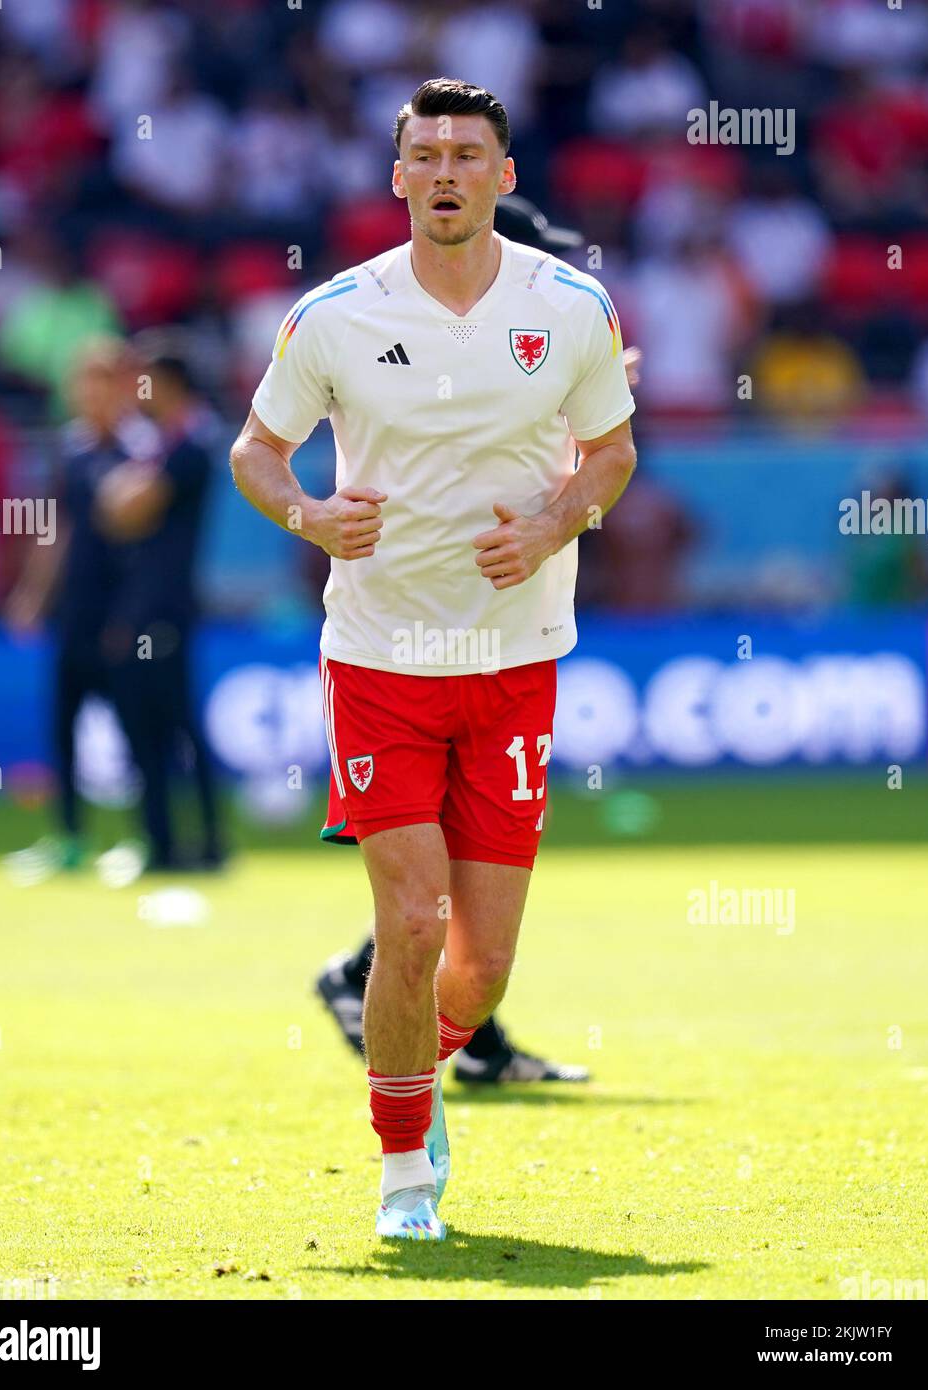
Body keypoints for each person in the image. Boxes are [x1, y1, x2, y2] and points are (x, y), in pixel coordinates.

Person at [229, 78, 637, 1241]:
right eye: (427, 153)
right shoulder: (334, 315)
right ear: (398, 175)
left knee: (482, 963)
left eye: (468, 152)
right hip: (379, 658)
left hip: (515, 661)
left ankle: (410, 1077)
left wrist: (556, 520)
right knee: (408, 923)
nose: (447, 169)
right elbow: (256, 450)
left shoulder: (570, 306)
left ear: (505, 177)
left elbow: (611, 452)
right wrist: (308, 516)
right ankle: (405, 1170)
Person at [314, 193, 639, 1084]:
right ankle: (407, 1050)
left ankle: (429, 1056)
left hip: (505, 644)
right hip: (403, 647)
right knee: (427, 911)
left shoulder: (559, 320)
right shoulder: (381, 320)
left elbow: (592, 458)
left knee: (464, 925)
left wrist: (584, 421)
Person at [4, 337, 156, 881]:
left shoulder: (143, 452)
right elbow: (58, 531)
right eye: (84, 385)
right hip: (76, 611)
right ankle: (69, 838)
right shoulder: (72, 452)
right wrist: (31, 594)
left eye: (102, 384)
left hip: (123, 618)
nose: (91, 397)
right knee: (63, 727)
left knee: (136, 729)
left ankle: (145, 838)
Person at [94, 345, 223, 871]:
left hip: (162, 609)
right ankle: (168, 843)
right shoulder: (165, 445)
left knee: (171, 727)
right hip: (153, 605)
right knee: (156, 728)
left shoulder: (189, 446)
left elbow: (124, 510)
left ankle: (198, 843)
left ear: (168, 385)